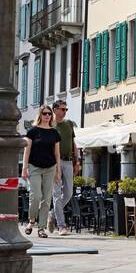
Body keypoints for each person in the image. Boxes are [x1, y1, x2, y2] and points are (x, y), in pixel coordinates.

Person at [21, 105, 61, 238]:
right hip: (34, 167)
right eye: (45, 113)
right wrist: (24, 167)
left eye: (49, 114)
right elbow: (27, 151)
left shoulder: (54, 133)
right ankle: (32, 220)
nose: (47, 116)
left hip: (50, 167)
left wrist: (58, 171)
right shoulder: (32, 131)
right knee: (36, 196)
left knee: (46, 199)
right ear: (40, 115)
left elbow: (57, 154)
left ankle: (41, 228)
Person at [51, 99, 78, 235]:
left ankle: (51, 214)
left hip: (68, 162)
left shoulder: (69, 124)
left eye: (66, 109)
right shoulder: (50, 125)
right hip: (55, 163)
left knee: (69, 193)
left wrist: (77, 161)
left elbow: (73, 142)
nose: (65, 112)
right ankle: (61, 226)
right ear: (55, 110)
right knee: (56, 194)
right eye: (62, 109)